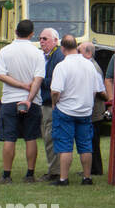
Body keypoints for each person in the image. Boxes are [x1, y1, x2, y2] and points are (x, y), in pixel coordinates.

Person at [0, 19, 46, 182]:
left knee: (10, 138)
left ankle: (6, 175)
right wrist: (29, 96)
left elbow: (1, 75)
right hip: (32, 101)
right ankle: (30, 174)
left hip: (9, 99)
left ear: (16, 31)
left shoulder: (5, 51)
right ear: (32, 34)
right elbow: (38, 79)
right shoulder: (37, 53)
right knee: (31, 138)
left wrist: (20, 85)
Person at [49, 35, 96, 186]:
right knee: (85, 145)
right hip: (85, 110)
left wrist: (54, 103)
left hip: (66, 110)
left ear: (62, 48)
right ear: (76, 46)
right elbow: (95, 89)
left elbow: (56, 91)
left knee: (65, 145)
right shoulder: (89, 65)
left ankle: (63, 178)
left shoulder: (62, 66)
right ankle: (87, 177)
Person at [38, 28, 65, 180]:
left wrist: (38, 79)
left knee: (51, 137)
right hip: (47, 103)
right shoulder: (47, 56)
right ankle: (54, 169)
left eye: (45, 39)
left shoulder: (58, 56)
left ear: (55, 40)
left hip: (52, 104)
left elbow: (56, 82)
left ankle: (55, 172)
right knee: (48, 136)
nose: (41, 41)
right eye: (40, 38)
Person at [79, 41, 107, 177]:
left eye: (80, 52)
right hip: (94, 109)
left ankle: (95, 169)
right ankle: (93, 168)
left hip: (95, 110)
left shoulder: (93, 68)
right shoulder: (90, 65)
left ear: (88, 53)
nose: (77, 55)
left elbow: (99, 90)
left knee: (93, 140)